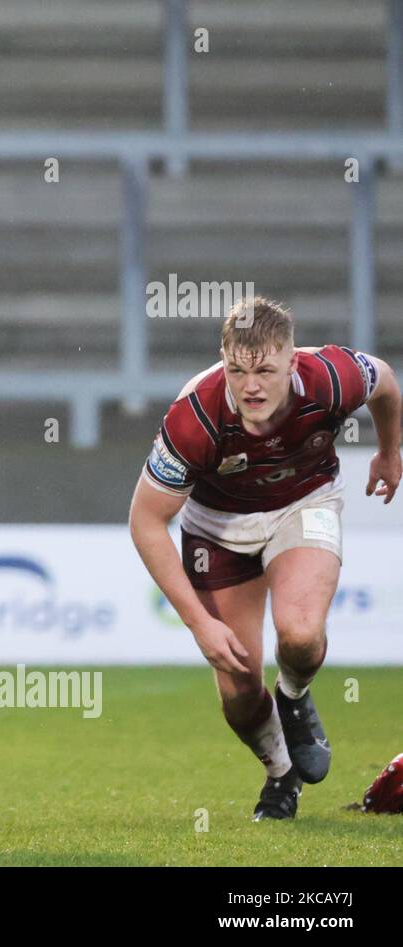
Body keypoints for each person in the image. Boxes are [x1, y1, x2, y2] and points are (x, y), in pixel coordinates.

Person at [129, 297, 400, 820]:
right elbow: (145, 521)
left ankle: (294, 693)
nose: (250, 386)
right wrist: (198, 627)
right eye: (237, 370)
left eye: (265, 371)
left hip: (305, 502)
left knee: (299, 634)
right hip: (218, 529)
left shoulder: (331, 376)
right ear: (224, 360)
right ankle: (281, 774)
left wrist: (391, 450)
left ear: (293, 362)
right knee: (239, 688)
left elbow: (385, 380)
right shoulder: (194, 418)